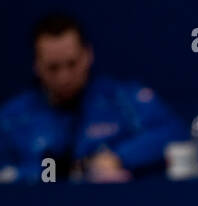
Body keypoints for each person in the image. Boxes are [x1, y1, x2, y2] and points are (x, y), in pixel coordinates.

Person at [0, 12, 184, 183]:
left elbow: (173, 132)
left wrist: (118, 158)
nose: (64, 77)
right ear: (36, 66)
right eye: (53, 68)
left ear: (87, 55)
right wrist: (55, 172)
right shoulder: (12, 119)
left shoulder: (121, 100)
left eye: (72, 64)